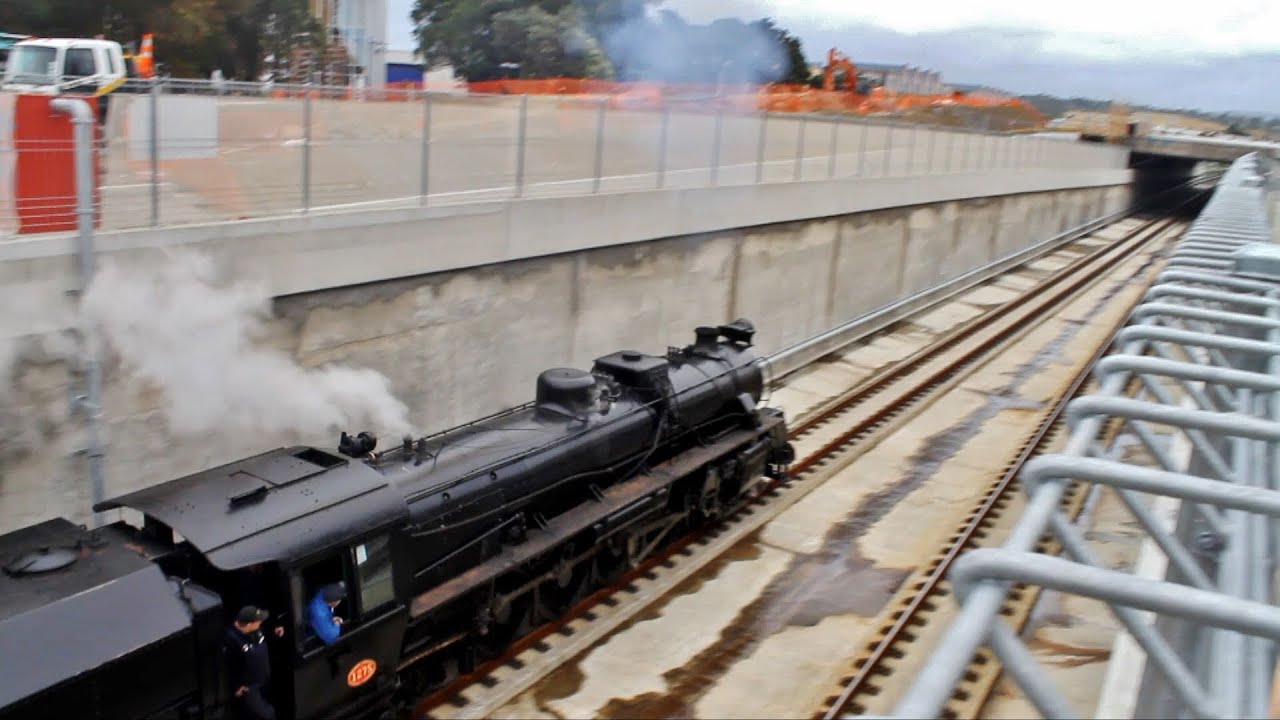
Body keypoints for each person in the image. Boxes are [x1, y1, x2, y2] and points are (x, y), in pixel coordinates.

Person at [225, 606, 276, 720]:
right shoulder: (231, 640)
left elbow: (263, 633)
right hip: (249, 689)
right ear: (248, 625)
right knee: (267, 715)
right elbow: (229, 667)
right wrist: (235, 686)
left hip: (264, 681)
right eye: (258, 621)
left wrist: (274, 631)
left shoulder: (257, 630)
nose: (260, 622)